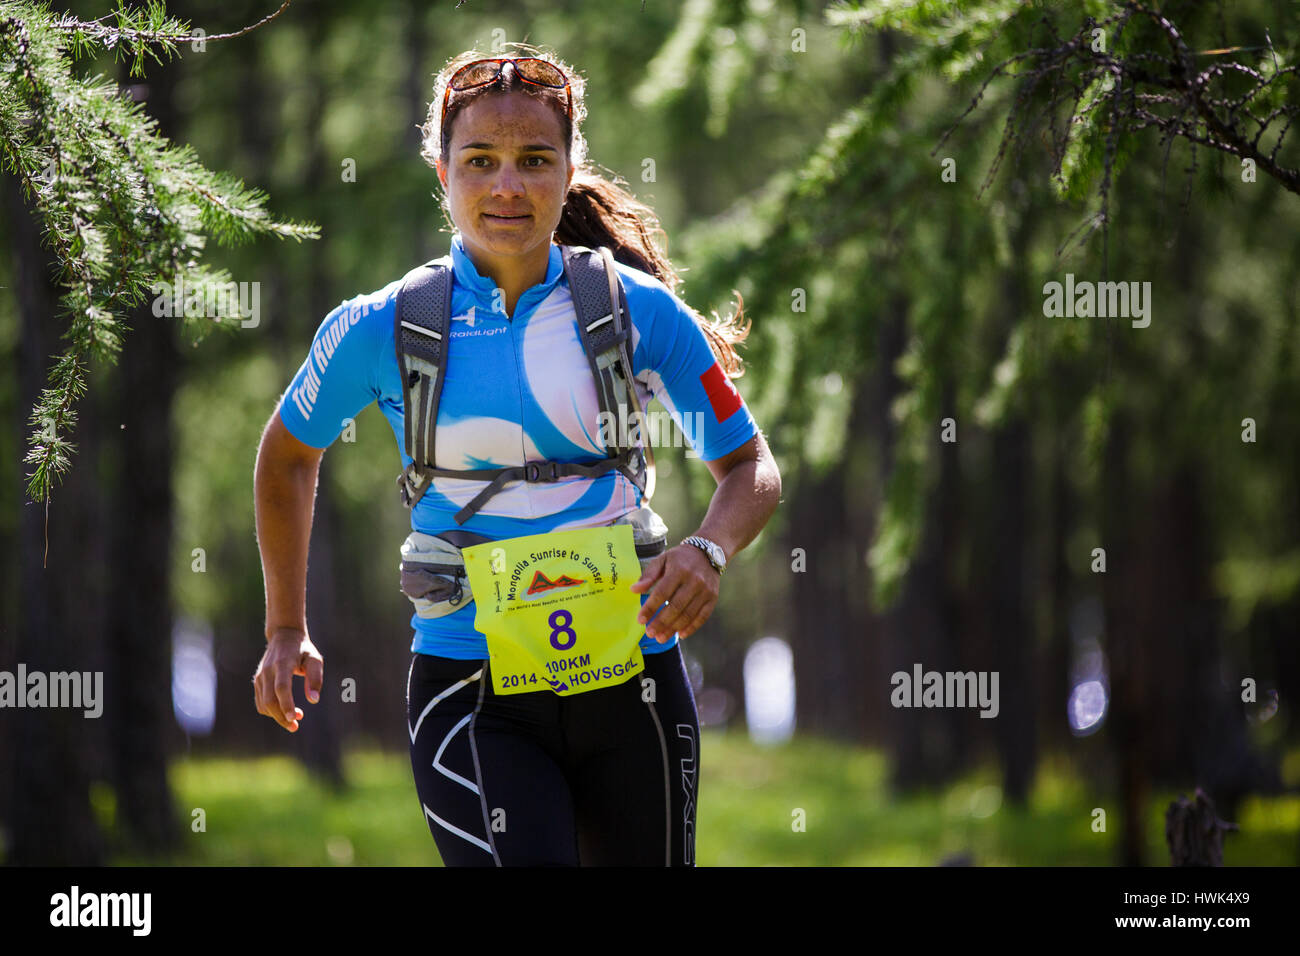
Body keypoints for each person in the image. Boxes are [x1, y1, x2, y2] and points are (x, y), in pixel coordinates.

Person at [252, 43, 781, 866]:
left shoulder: (636, 311)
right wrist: (287, 627)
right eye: (480, 161)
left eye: (536, 160)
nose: (507, 186)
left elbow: (749, 465)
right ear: (442, 172)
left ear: (571, 170)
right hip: (469, 690)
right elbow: (286, 456)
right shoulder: (381, 326)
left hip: (634, 679)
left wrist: (708, 551)